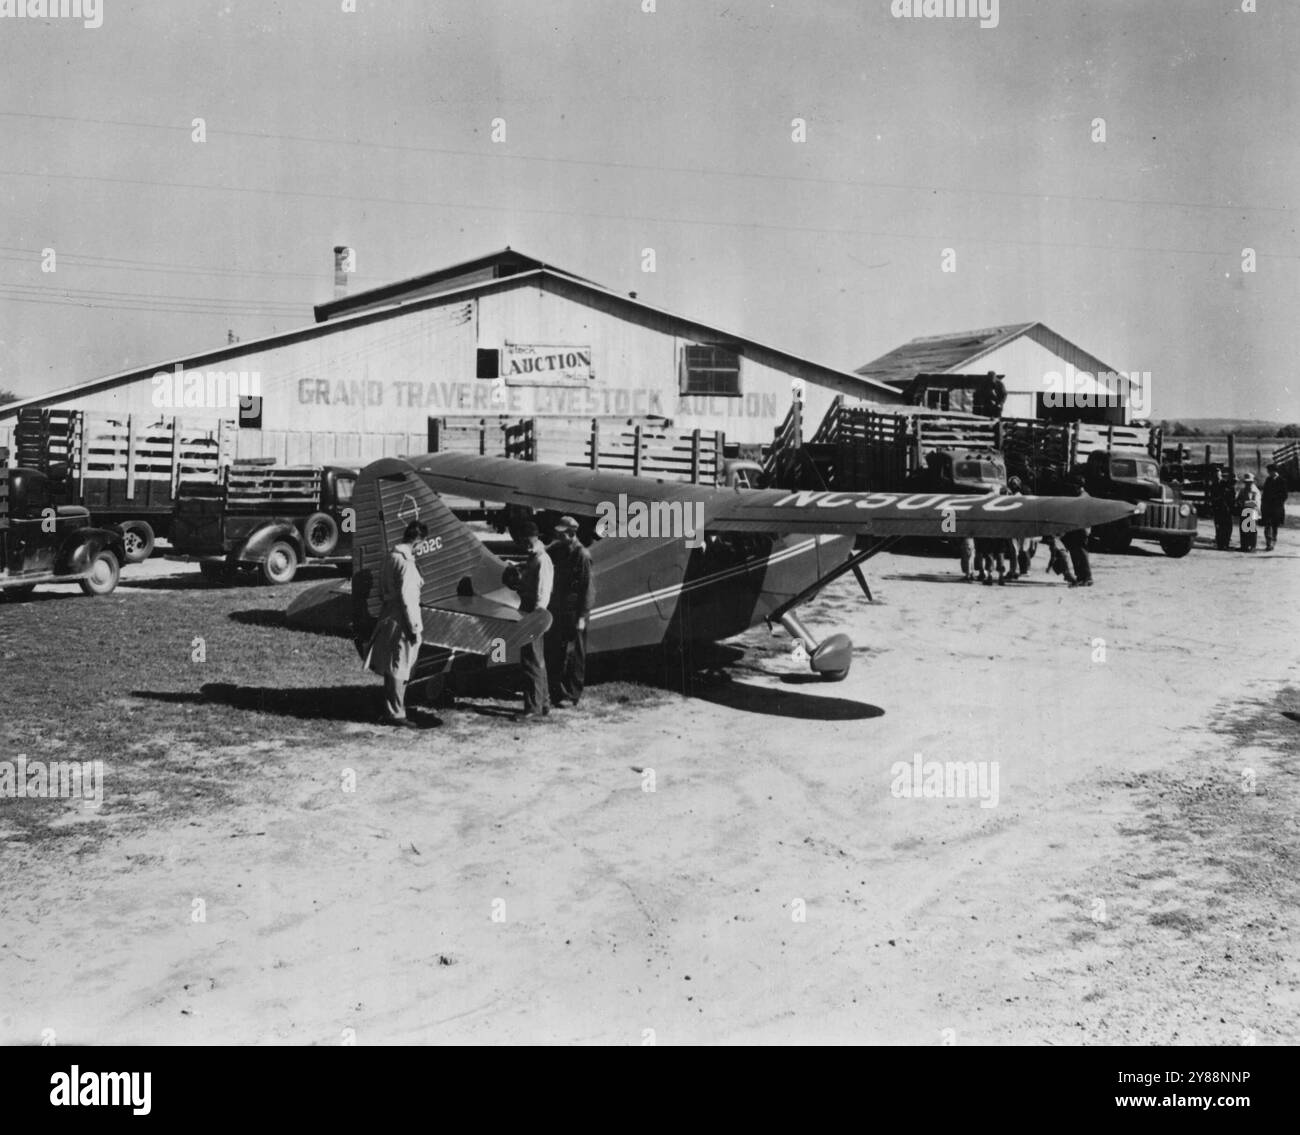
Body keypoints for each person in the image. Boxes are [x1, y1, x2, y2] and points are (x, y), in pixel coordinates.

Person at [364, 520, 427, 727]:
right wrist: (414, 628)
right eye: (421, 545)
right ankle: (396, 713)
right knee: (402, 665)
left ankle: (391, 708)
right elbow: (408, 598)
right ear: (417, 542)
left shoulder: (390, 557)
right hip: (403, 618)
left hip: (388, 615)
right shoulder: (407, 563)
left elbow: (382, 590)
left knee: (393, 665)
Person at [505, 519, 554, 719]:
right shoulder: (535, 556)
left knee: (531, 660)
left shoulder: (541, 560)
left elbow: (543, 592)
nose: (523, 545)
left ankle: (533, 708)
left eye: (525, 541)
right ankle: (543, 703)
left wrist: (535, 618)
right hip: (532, 610)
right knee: (537, 659)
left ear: (530, 538)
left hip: (534, 612)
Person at [545, 516, 595, 707]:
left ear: (571, 534)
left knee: (575, 653)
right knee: (559, 649)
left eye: (561, 533)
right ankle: (558, 690)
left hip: (576, 609)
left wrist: (582, 616)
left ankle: (573, 693)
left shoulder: (582, 555)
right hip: (561, 608)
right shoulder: (560, 549)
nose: (557, 536)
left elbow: (588, 588)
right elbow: (546, 552)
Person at [1207, 466, 1236, 551]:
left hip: (1227, 509)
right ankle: (1220, 544)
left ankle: (1226, 543)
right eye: (1215, 476)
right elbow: (1214, 498)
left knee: (1227, 527)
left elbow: (1231, 493)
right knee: (1219, 526)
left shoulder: (1224, 483)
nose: (1217, 477)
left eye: (1218, 475)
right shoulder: (1213, 486)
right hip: (1218, 509)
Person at [1261, 463, 1288, 551]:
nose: (1268, 473)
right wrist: (1263, 503)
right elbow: (1265, 493)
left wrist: (1277, 501)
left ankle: (1273, 541)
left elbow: (1284, 495)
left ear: (1274, 471)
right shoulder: (1268, 480)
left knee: (1274, 525)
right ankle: (1269, 543)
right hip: (1268, 507)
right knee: (1267, 525)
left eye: (1270, 471)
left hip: (1277, 507)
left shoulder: (1281, 480)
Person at [1236, 473, 1263, 553]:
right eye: (1246, 482)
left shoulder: (1255, 491)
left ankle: (1252, 546)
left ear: (1252, 482)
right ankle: (1244, 545)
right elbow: (1238, 499)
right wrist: (1239, 503)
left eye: (1249, 482)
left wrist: (1244, 503)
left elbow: (1255, 503)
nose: (1248, 484)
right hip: (1244, 511)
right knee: (1243, 529)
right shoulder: (1243, 490)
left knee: (1252, 530)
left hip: (1252, 511)